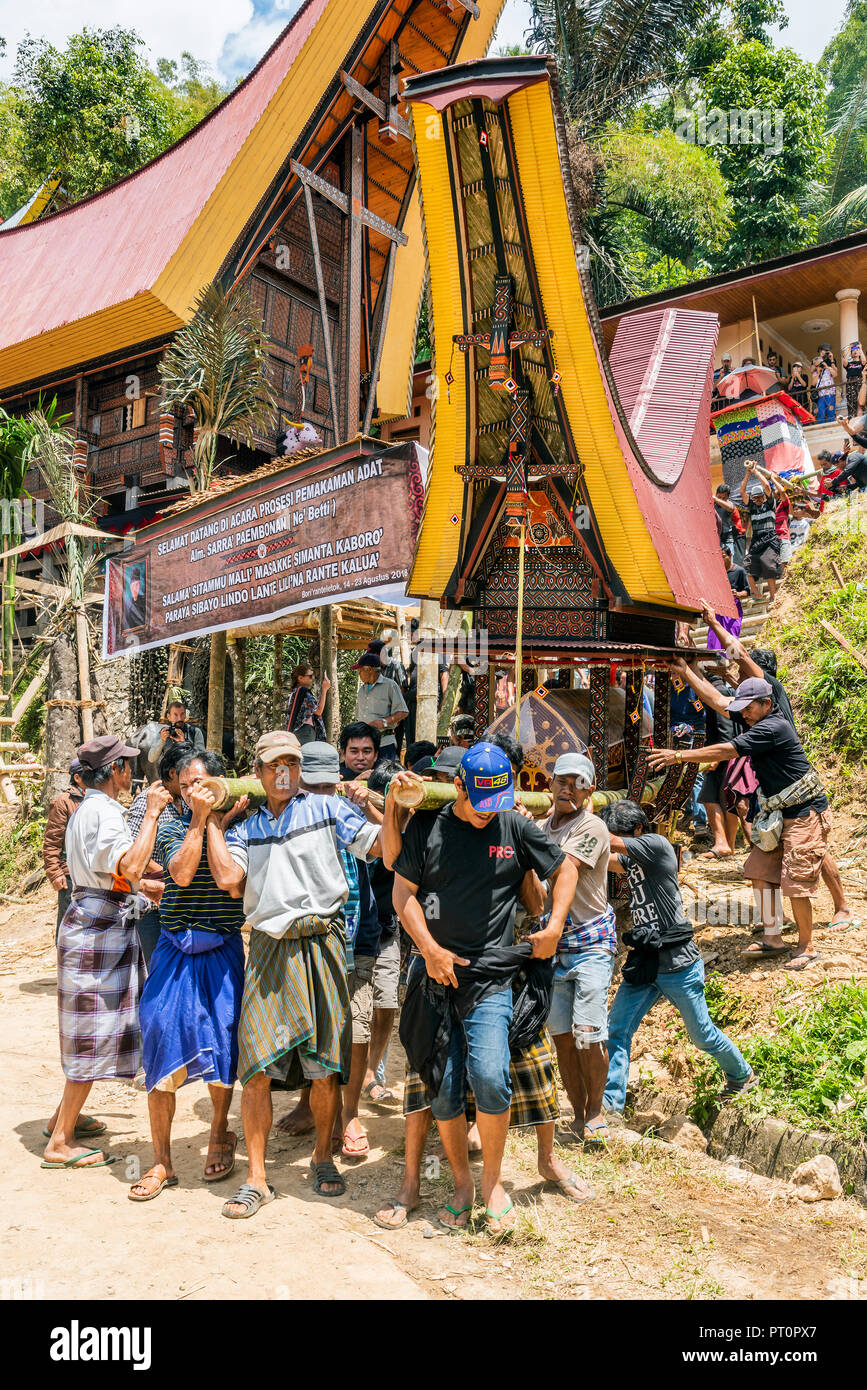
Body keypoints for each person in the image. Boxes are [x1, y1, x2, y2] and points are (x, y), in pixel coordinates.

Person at [389, 743, 577, 1232]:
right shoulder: (429, 828)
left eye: (495, 804)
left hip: (491, 979)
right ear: (458, 788)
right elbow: (401, 894)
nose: (486, 815)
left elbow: (566, 869)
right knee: (445, 1092)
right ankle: (461, 1184)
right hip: (435, 981)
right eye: (479, 804)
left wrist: (554, 924)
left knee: (491, 1077)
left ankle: (492, 1183)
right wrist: (429, 951)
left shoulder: (514, 826)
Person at [208, 731, 383, 1218]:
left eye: (290, 762)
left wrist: (386, 803)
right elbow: (227, 879)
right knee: (257, 1067)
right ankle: (258, 1178)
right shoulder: (244, 827)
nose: (281, 772)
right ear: (260, 773)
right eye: (272, 765)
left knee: (324, 1065)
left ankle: (323, 1158)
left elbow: (384, 848)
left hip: (323, 945)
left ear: (300, 768)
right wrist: (212, 823)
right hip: (267, 949)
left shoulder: (327, 810)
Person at [42, 735, 171, 1171]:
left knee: (86, 1027)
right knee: (92, 1031)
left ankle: (63, 1119)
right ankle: (60, 1141)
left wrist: (145, 882)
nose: (131, 773)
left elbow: (117, 874)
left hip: (93, 916)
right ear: (114, 772)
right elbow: (130, 866)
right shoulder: (105, 814)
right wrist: (152, 813)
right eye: (126, 766)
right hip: (98, 929)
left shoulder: (90, 809)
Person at [678, 635, 857, 936]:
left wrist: (713, 625)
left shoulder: (772, 700)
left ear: (765, 694)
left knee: (814, 852)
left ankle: (837, 910)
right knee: (768, 844)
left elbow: (742, 657)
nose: (740, 680)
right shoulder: (748, 704)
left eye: (746, 676)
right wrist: (686, 670)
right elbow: (717, 700)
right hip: (767, 785)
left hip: (794, 791)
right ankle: (776, 922)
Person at [648, 677, 831, 972]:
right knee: (759, 871)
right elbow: (719, 702)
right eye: (741, 708)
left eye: (748, 708)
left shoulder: (773, 727)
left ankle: (806, 945)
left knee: (796, 883)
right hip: (777, 814)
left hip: (804, 813)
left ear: (766, 704)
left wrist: (678, 756)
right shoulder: (755, 717)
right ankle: (773, 938)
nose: (742, 714)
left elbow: (726, 750)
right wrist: (689, 670)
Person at [129, 750, 247, 1201]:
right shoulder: (173, 823)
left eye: (202, 782)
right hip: (174, 947)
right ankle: (161, 1160)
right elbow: (178, 872)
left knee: (221, 1041)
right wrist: (200, 820)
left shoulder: (242, 823)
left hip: (221, 948)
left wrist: (216, 820)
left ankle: (219, 1133)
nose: (192, 788)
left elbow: (229, 882)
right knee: (159, 1035)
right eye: (186, 781)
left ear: (219, 782)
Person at [601, 801, 754, 1115]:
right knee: (616, 1029)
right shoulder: (631, 861)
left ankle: (742, 1075)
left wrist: (582, 822)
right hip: (646, 963)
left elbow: (607, 844)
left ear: (639, 831)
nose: (616, 839)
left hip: (679, 964)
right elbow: (601, 855)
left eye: (619, 834)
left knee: (702, 1035)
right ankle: (611, 1108)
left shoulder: (656, 847)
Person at [274, 742, 382, 1155]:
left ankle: (349, 1113)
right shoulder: (286, 816)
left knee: (355, 1029)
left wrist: (373, 805)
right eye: (312, 788)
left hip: (356, 939)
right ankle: (309, 1102)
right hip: (307, 941)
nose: (321, 796)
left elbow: (388, 849)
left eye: (327, 788)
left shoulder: (349, 813)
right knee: (310, 1027)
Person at [538, 754, 615, 1142]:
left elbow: (561, 868)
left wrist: (524, 833)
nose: (566, 788)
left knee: (586, 1031)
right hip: (553, 947)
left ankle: (596, 1111)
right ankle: (578, 1112)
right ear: (549, 784)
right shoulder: (539, 827)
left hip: (590, 943)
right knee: (562, 1037)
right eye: (560, 781)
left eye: (575, 782)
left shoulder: (593, 827)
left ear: (589, 791)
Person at [125, 738, 191, 966]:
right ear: (172, 773)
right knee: (155, 963)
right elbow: (132, 852)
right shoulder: (147, 801)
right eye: (187, 774)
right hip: (150, 902)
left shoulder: (188, 801)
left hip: (180, 900)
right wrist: (169, 870)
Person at [43, 758, 85, 940]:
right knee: (69, 923)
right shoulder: (63, 803)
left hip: (90, 873)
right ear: (77, 778)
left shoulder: (96, 798)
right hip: (69, 874)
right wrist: (55, 873)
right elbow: (52, 841)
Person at [353, 651, 408, 762]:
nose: (359, 673)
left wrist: (384, 722)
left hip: (384, 742)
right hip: (364, 744)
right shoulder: (362, 690)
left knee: (384, 776)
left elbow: (403, 712)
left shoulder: (390, 685)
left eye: (360, 670)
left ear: (369, 670)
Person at [740, 461, 781, 601]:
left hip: (769, 538)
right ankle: (756, 593)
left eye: (759, 497)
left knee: (769, 565)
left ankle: (773, 597)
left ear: (764, 496)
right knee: (748, 565)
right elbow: (742, 492)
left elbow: (766, 486)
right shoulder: (752, 506)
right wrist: (747, 474)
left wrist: (756, 471)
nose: (757, 499)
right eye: (755, 497)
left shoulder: (770, 504)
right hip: (757, 539)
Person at [145, 701, 205, 777]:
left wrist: (184, 743)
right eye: (175, 715)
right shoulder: (164, 733)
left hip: (189, 776)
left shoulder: (194, 732)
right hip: (169, 777)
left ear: (185, 715)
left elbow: (202, 758)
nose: (179, 718)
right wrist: (162, 741)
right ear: (168, 717)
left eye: (182, 714)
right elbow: (151, 758)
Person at [706, 547, 749, 651]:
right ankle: (715, 662)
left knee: (731, 635)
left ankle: (732, 662)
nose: (721, 559)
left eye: (724, 556)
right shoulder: (717, 572)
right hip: (718, 607)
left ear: (730, 556)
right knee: (715, 636)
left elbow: (747, 592)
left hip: (733, 608)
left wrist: (737, 594)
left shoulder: (739, 571)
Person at [285, 663, 329, 745]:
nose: (313, 678)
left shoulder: (294, 693)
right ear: (300, 678)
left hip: (297, 731)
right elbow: (318, 711)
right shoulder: (303, 692)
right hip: (305, 731)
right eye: (310, 676)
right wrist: (325, 689)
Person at [830, 418, 867, 493]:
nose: (838, 468)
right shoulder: (852, 468)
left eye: (836, 466)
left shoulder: (852, 457)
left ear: (838, 462)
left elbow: (847, 471)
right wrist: (841, 488)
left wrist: (832, 482)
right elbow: (860, 484)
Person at [811, 351, 837, 423]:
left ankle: (832, 426)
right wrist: (818, 372)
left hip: (830, 394)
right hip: (820, 395)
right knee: (820, 413)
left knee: (830, 411)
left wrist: (827, 367)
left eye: (819, 364)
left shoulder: (828, 369)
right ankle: (821, 426)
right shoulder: (815, 373)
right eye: (816, 366)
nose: (818, 366)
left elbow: (835, 374)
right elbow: (813, 383)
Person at [843, 341, 866, 417]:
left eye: (857, 350)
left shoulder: (861, 363)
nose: (855, 352)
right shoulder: (849, 364)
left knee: (862, 400)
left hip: (860, 381)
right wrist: (850, 350)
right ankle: (852, 417)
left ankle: (864, 416)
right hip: (850, 383)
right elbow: (845, 362)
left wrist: (860, 349)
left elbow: (864, 361)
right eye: (854, 351)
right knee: (852, 401)